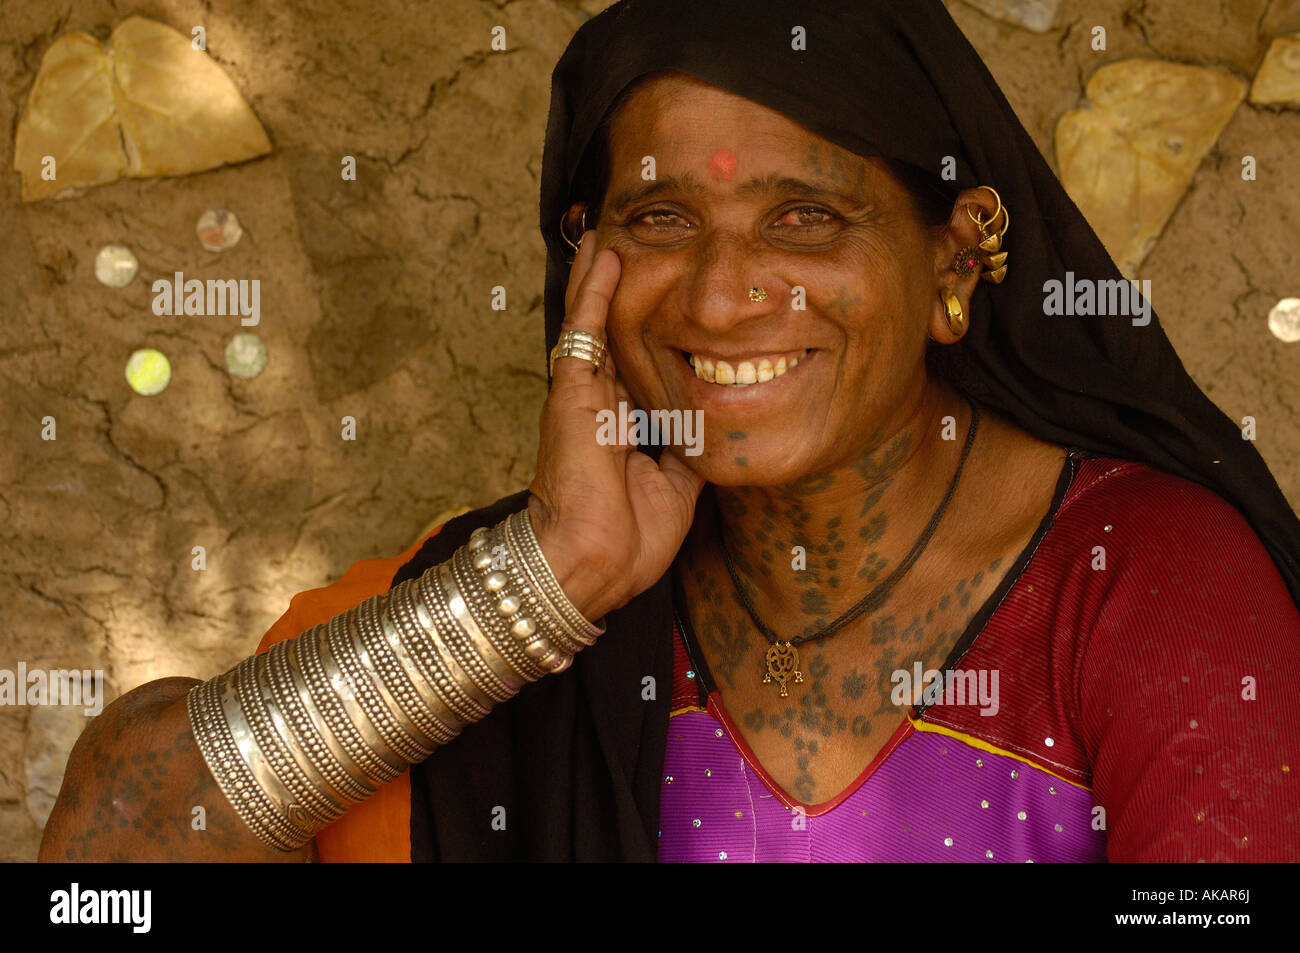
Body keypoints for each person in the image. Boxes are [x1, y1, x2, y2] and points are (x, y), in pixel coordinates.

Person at [40, 0, 1300, 863]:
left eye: (805, 218)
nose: (717, 294)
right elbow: (121, 848)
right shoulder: (516, 606)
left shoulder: (1140, 584)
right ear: (583, 259)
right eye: (657, 222)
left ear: (956, 259)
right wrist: (541, 585)